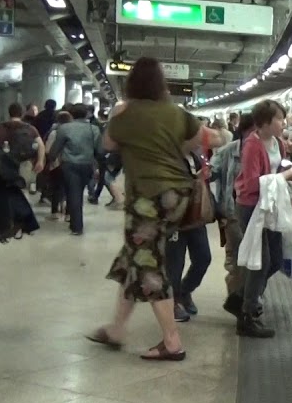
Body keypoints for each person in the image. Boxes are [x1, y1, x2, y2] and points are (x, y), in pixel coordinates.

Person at [85, 58, 221, 361]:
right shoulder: (177, 113)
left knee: (147, 263)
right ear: (161, 83)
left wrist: (116, 115)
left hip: (146, 198)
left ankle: (172, 342)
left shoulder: (126, 113)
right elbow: (206, 140)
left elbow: (107, 144)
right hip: (178, 196)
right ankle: (117, 328)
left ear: (131, 83)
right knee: (132, 258)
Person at [232, 99, 292, 338]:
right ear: (264, 122)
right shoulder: (252, 145)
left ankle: (240, 297)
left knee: (276, 260)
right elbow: (251, 184)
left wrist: (285, 182)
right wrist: (283, 178)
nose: (284, 123)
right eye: (280, 119)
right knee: (261, 261)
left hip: (268, 206)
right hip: (251, 207)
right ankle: (247, 316)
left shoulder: (278, 144)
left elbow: (275, 171)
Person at [213, 113, 254, 313]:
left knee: (261, 262)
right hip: (234, 215)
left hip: (257, 216)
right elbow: (210, 172)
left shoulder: (267, 149)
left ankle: (246, 300)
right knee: (238, 262)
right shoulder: (229, 151)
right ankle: (238, 304)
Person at [165, 146, 212, 322]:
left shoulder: (196, 154)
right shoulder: (170, 156)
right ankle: (173, 302)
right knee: (174, 265)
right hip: (175, 218)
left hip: (195, 216)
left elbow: (205, 183)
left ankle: (185, 291)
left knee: (203, 258)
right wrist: (194, 180)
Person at [50, 104, 103, 235]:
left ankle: (77, 226)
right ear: (87, 114)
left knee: (74, 193)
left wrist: (51, 159)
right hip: (87, 164)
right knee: (78, 192)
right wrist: (98, 167)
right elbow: (100, 151)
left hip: (69, 164)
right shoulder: (94, 129)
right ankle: (75, 223)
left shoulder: (64, 128)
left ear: (71, 114)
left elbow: (56, 148)